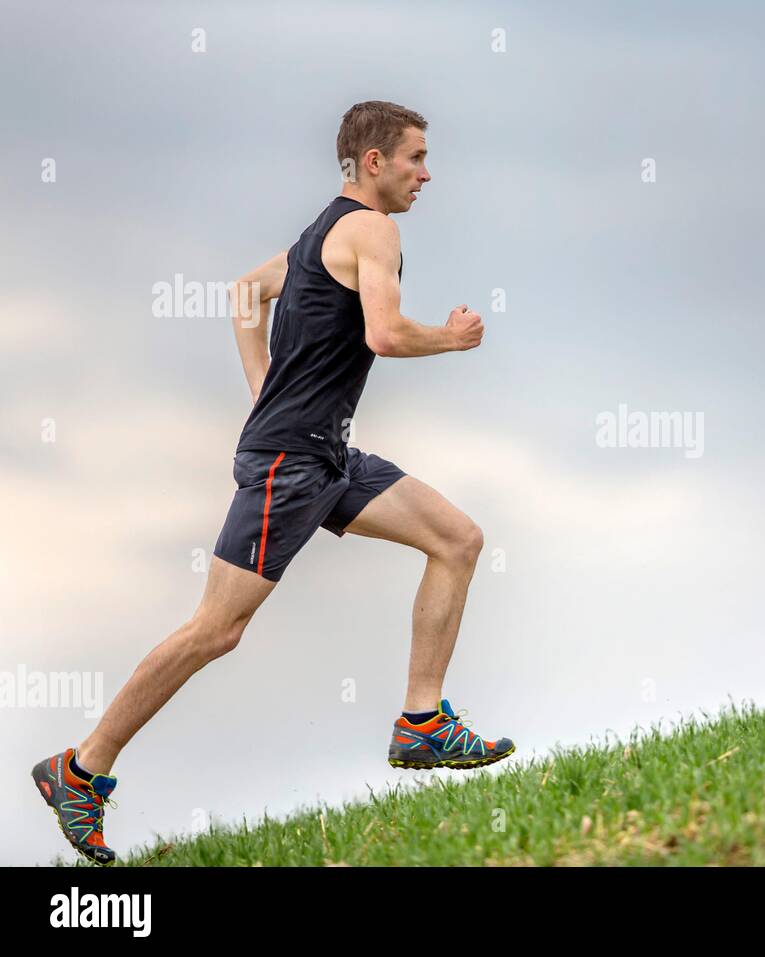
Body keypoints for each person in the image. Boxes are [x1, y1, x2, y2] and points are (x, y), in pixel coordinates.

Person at [31, 100, 514, 866]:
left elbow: (243, 294)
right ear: (374, 163)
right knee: (216, 629)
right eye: (417, 157)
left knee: (457, 538)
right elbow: (384, 334)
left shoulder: (317, 237)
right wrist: (451, 339)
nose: (428, 173)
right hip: (290, 461)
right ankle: (81, 769)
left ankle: (423, 721)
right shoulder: (373, 229)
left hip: (324, 454)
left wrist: (263, 386)